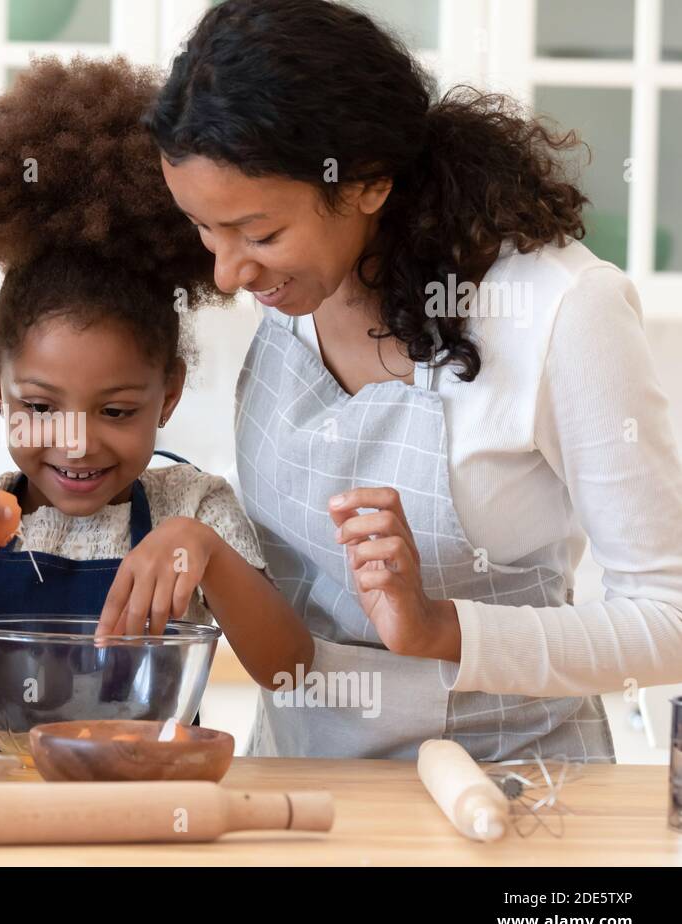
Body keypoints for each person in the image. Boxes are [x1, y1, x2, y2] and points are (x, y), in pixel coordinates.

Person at [147, 0, 682, 760]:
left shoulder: (561, 309)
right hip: (303, 790)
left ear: (367, 183)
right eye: (205, 228)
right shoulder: (295, 289)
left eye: (260, 233)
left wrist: (440, 627)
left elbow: (669, 619)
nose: (228, 272)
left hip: (512, 796)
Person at [0, 58, 313, 750]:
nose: (77, 443)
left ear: (167, 393)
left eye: (116, 411)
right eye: (42, 408)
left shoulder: (192, 511)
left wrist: (206, 554)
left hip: (139, 821)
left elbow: (288, 670)